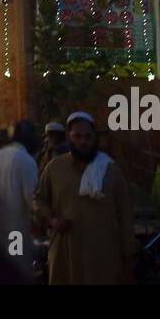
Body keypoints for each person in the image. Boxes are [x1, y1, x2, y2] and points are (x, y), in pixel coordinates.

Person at [34, 111, 135, 285]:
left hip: (103, 261)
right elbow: (38, 200)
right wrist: (53, 219)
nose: (83, 142)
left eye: (88, 136)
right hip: (66, 257)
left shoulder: (110, 171)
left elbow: (125, 216)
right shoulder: (55, 168)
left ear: (95, 137)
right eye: (77, 136)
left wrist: (128, 257)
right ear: (68, 137)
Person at [0, 120, 40, 281]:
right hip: (16, 230)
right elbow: (34, 199)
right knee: (18, 272)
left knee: (2, 272)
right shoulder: (26, 160)